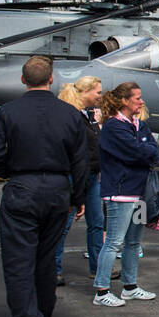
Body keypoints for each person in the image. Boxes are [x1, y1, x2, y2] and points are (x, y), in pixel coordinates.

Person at [0, 55, 88, 317]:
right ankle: (44, 311)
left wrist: (10, 172)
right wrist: (79, 197)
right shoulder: (71, 114)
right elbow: (82, 161)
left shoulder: (8, 112)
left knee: (18, 258)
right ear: (51, 79)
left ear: (22, 79)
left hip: (22, 187)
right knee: (46, 257)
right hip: (57, 189)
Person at [92, 81, 159, 307]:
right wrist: (144, 149)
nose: (141, 102)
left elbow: (153, 152)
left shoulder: (139, 126)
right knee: (113, 242)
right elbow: (137, 152)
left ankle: (130, 287)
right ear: (124, 100)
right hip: (120, 194)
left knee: (133, 242)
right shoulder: (114, 127)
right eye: (137, 98)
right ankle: (101, 291)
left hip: (139, 194)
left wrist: (145, 149)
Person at [54, 76, 107, 287]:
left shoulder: (89, 116)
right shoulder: (72, 115)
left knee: (96, 223)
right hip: (76, 175)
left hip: (92, 175)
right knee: (64, 224)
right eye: (98, 92)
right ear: (86, 92)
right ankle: (54, 269)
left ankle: (98, 267)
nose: (100, 97)